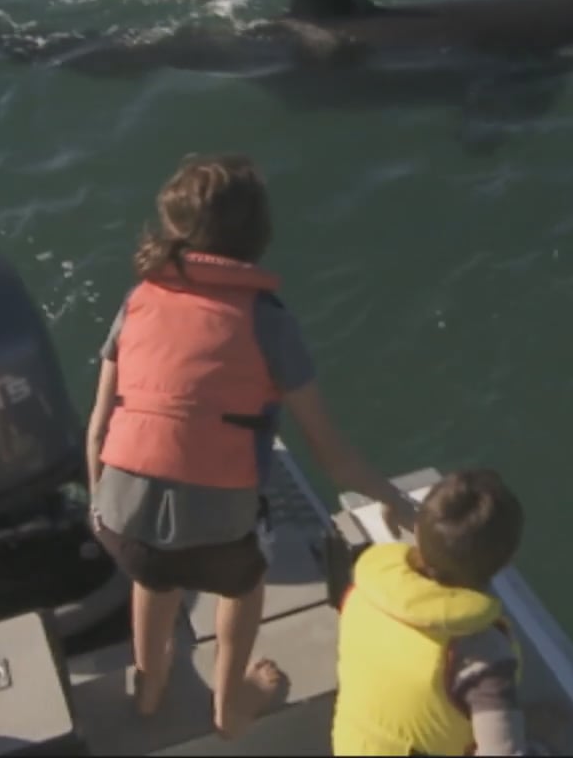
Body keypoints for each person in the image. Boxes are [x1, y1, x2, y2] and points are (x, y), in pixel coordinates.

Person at [86, 152, 419, 739]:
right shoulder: (267, 320)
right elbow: (330, 452)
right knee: (244, 577)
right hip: (218, 532)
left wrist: (99, 505)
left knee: (154, 574)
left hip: (119, 519)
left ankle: (150, 685)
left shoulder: (139, 299)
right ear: (257, 236)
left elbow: (98, 422)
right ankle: (230, 703)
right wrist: (394, 499)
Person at [332, 468, 531, 756]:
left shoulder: (363, 592)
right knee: (554, 728)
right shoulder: (482, 654)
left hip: (353, 748)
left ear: (418, 533)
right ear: (510, 559)